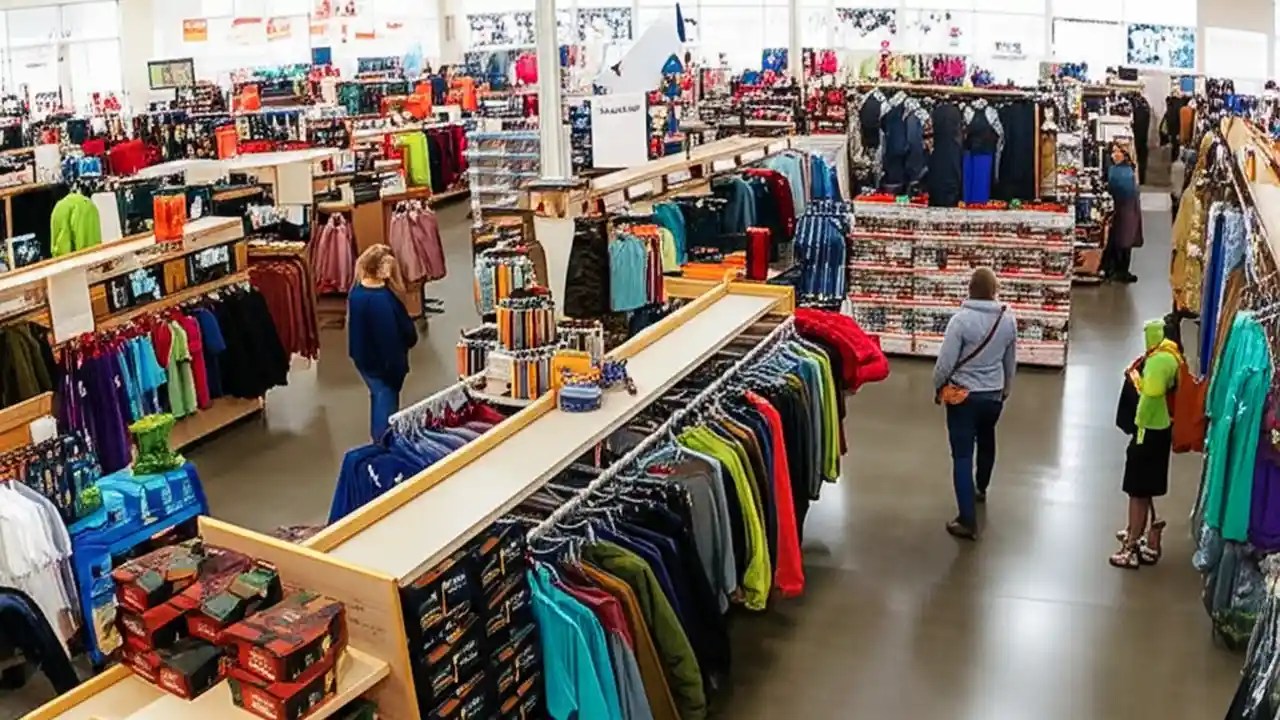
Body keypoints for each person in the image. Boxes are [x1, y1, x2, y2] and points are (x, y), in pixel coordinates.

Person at [932, 268, 1018, 540]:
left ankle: (967, 520)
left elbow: (945, 362)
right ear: (994, 290)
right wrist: (1005, 390)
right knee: (987, 438)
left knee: (961, 455)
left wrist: (938, 385)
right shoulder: (1007, 320)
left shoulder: (960, 321)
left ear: (969, 289)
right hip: (992, 394)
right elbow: (1010, 361)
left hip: (963, 396)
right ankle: (981, 487)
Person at [1110, 317, 1182, 569]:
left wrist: (1136, 417)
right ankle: (1142, 534)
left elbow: (1150, 394)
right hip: (1160, 431)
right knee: (1145, 487)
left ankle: (1131, 546)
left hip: (1148, 431)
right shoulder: (1171, 356)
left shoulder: (1160, 361)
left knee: (1136, 490)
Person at [347, 244, 418, 441]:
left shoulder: (356, 292)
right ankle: (384, 447)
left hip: (364, 361)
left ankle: (380, 442)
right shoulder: (382, 301)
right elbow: (391, 341)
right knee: (386, 407)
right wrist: (397, 370)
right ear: (380, 268)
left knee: (377, 397)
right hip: (385, 366)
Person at [1105, 143, 1144, 283]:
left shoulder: (1119, 171)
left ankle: (1120, 270)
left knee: (1123, 239)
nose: (1113, 155)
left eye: (1117, 152)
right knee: (1124, 240)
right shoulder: (1125, 170)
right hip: (1125, 209)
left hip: (1125, 209)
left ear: (1124, 154)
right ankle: (1120, 270)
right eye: (1112, 152)